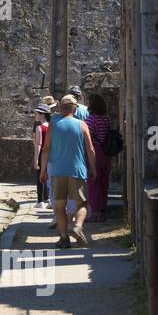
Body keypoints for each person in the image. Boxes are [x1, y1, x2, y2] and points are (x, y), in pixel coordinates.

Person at [42, 93, 96, 248]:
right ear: (75, 108)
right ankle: (78, 226)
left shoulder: (53, 124)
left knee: (59, 206)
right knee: (82, 204)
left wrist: (43, 170)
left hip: (58, 171)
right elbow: (90, 149)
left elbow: (46, 149)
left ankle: (64, 238)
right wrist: (93, 168)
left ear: (61, 108)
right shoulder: (82, 125)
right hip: (77, 171)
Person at [85, 93, 113, 222]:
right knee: (103, 182)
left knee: (93, 181)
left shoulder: (91, 119)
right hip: (106, 152)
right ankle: (101, 210)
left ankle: (94, 212)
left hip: (95, 151)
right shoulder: (106, 118)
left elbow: (87, 137)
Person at [32, 104, 52, 212]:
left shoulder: (39, 127)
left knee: (40, 177)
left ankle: (40, 201)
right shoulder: (51, 126)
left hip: (42, 155)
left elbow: (38, 144)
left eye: (37, 113)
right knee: (49, 176)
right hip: (51, 154)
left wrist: (35, 159)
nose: (35, 115)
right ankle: (48, 198)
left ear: (42, 115)